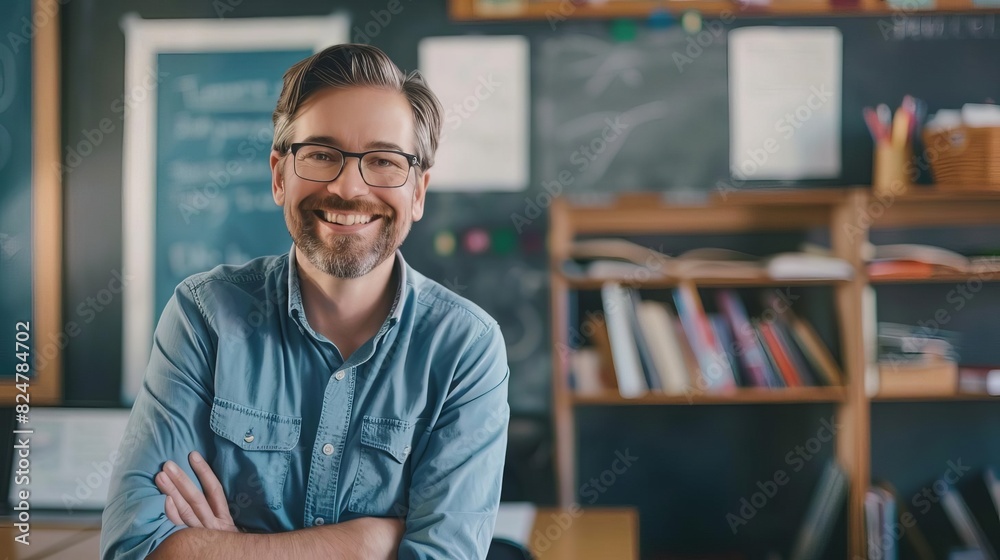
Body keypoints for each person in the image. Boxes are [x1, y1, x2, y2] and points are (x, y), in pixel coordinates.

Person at [101, 44, 510, 560]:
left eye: (384, 161)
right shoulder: (204, 316)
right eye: (320, 154)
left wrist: (232, 549)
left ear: (418, 193)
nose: (348, 187)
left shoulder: (465, 347)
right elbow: (135, 547)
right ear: (279, 176)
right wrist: (369, 542)